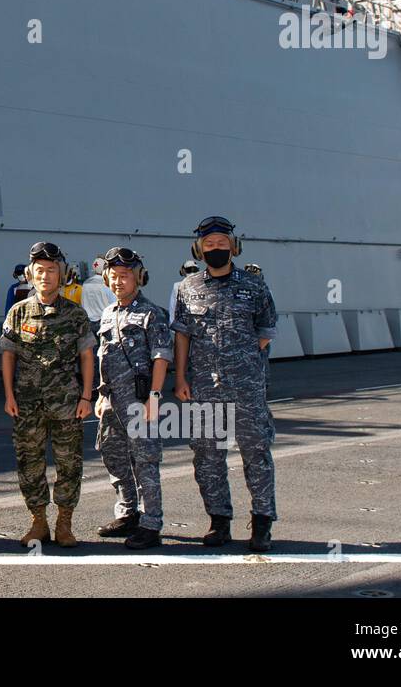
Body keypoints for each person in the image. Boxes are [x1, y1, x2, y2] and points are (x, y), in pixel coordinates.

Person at [172, 216, 279, 552]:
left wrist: (241, 360)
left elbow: (267, 330)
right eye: (209, 244)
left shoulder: (254, 285)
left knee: (256, 453)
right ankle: (219, 522)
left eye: (221, 243)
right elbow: (183, 335)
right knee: (207, 456)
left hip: (247, 386)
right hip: (204, 386)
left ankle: (262, 523)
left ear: (233, 247)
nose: (215, 248)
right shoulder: (187, 288)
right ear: (198, 249)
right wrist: (180, 377)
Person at [0, 242, 94, 547]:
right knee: (29, 462)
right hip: (26, 404)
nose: (45, 275)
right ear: (30, 274)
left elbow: (87, 357)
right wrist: (9, 396)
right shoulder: (18, 312)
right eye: (39, 270)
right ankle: (38, 522)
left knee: (69, 463)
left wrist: (86, 397)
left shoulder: (75, 314)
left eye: (51, 270)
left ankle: (64, 523)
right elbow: (8, 355)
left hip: (66, 403)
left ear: (61, 274)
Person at [94, 247, 171, 550]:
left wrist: (154, 396)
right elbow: (103, 357)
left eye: (124, 276)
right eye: (113, 277)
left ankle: (151, 524)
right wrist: (101, 396)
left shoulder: (152, 313)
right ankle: (128, 513)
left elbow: (161, 356)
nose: (118, 282)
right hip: (112, 403)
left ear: (138, 277)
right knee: (113, 456)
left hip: (140, 402)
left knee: (145, 462)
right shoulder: (107, 313)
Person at [81, 255, 118, 336]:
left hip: (89, 323)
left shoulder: (85, 283)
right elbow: (115, 304)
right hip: (104, 323)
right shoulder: (107, 284)